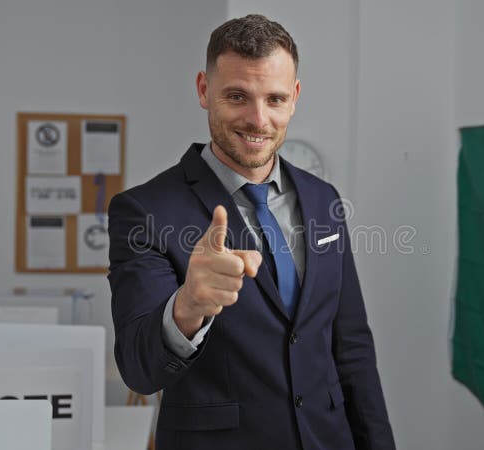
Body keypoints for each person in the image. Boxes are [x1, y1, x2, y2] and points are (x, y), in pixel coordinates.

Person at [108, 14, 395, 450]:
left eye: (275, 99)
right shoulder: (144, 211)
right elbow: (139, 370)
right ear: (204, 90)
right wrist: (187, 306)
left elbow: (351, 344)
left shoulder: (322, 199)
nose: (258, 119)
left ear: (295, 98)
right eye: (238, 96)